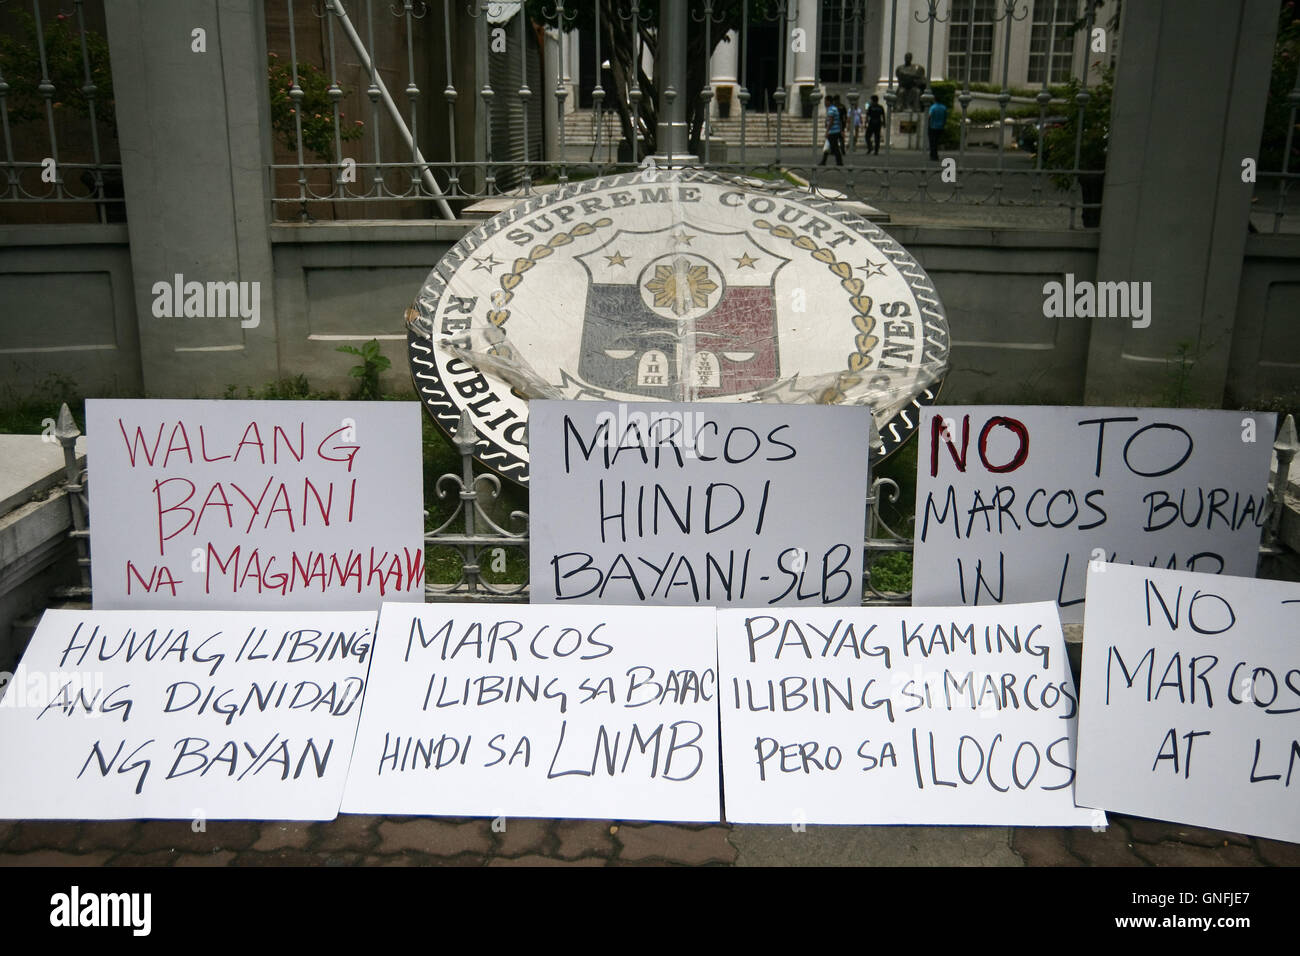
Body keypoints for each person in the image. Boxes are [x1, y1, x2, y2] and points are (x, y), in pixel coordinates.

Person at [819, 94, 843, 166]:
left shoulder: (831, 109)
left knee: (834, 147)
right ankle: (824, 161)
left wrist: (827, 131)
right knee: (828, 145)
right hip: (835, 130)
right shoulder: (834, 108)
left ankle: (839, 162)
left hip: (833, 131)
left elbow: (831, 121)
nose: (825, 103)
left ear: (829, 101)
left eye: (825, 101)